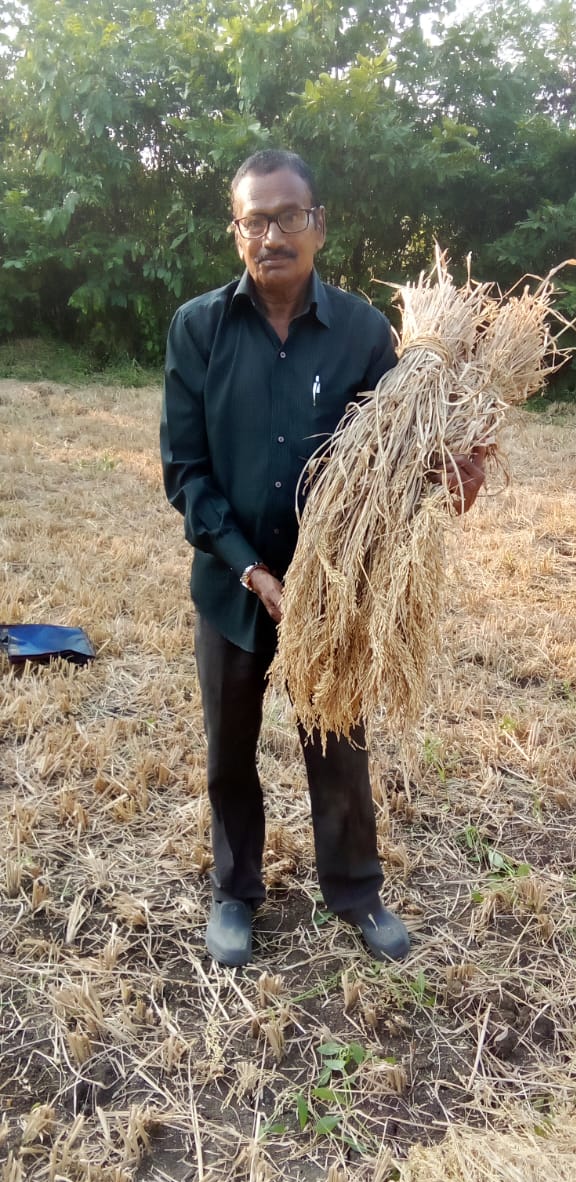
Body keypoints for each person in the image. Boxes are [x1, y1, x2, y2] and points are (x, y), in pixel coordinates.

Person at [160, 149, 485, 968]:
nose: (272, 234)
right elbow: (186, 473)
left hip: (335, 589)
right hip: (234, 586)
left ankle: (355, 890)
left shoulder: (366, 335)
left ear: (318, 224)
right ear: (236, 231)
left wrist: (445, 471)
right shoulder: (197, 328)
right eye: (255, 220)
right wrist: (249, 567)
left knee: (338, 738)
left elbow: (392, 464)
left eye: (288, 217)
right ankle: (236, 894)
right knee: (228, 749)